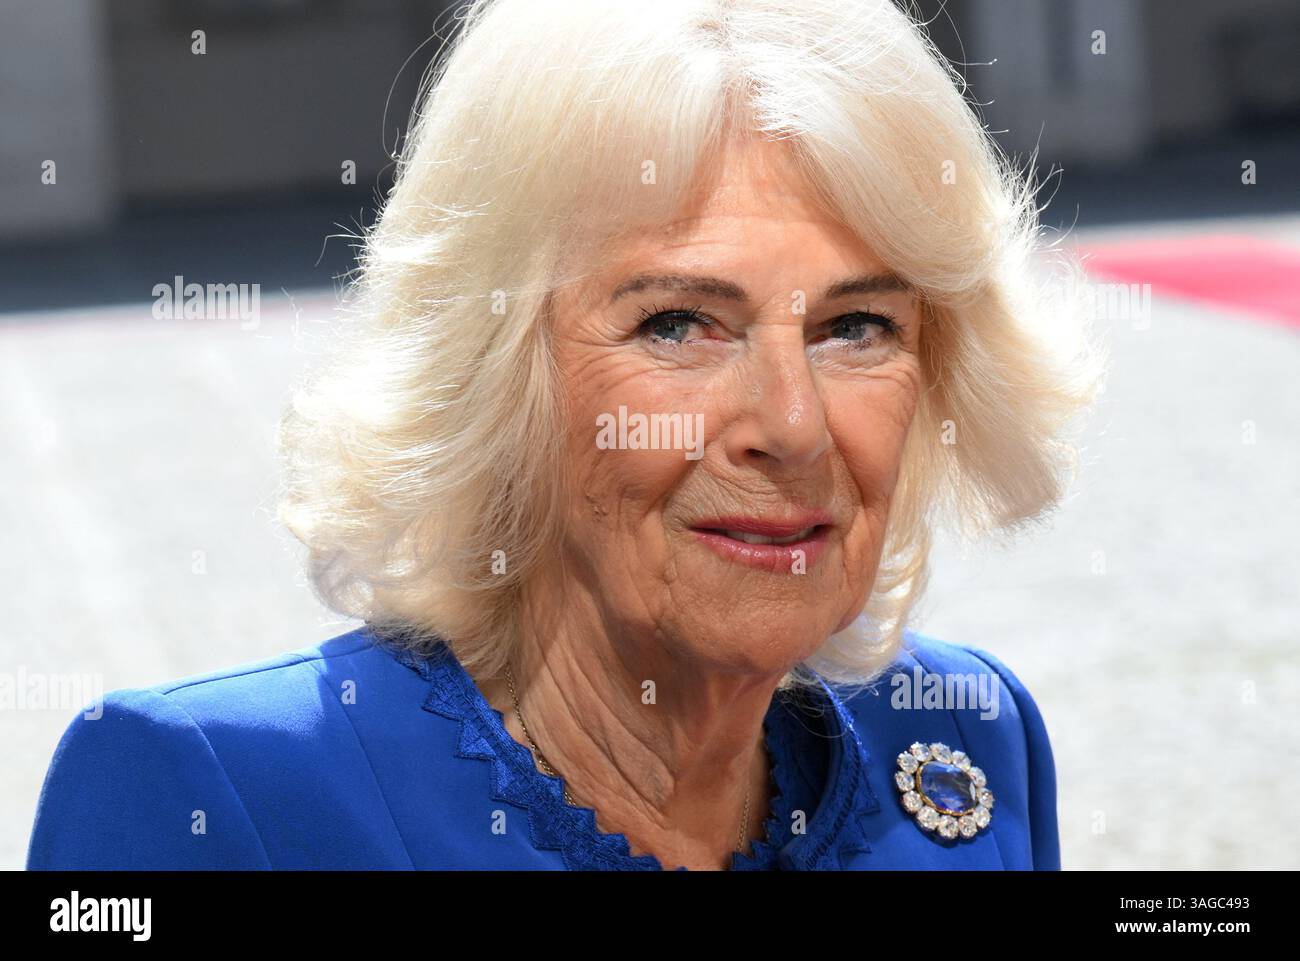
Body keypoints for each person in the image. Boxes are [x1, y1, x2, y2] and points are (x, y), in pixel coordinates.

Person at [27, 0, 1102, 871]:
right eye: (678, 323)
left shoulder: (962, 738)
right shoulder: (212, 795)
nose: (790, 424)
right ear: (495, 377)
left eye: (854, 326)